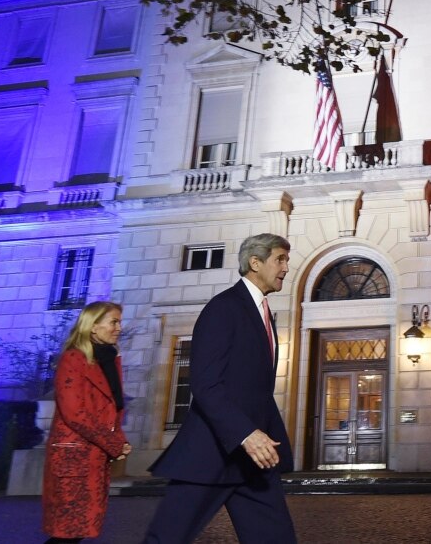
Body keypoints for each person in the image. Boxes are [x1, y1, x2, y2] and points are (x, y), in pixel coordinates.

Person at [144, 233, 296, 544]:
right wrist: (245, 433)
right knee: (166, 539)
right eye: (280, 259)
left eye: (286, 261)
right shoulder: (224, 308)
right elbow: (205, 384)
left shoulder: (263, 313)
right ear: (255, 262)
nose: (285, 267)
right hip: (211, 455)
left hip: (254, 459)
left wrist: (260, 435)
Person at [42, 301, 132, 544]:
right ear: (93, 326)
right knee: (66, 534)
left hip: (94, 457)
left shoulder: (109, 361)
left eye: (119, 322)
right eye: (114, 322)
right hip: (74, 458)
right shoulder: (73, 359)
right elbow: (75, 413)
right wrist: (113, 443)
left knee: (76, 532)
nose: (119, 328)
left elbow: (111, 410)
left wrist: (120, 440)